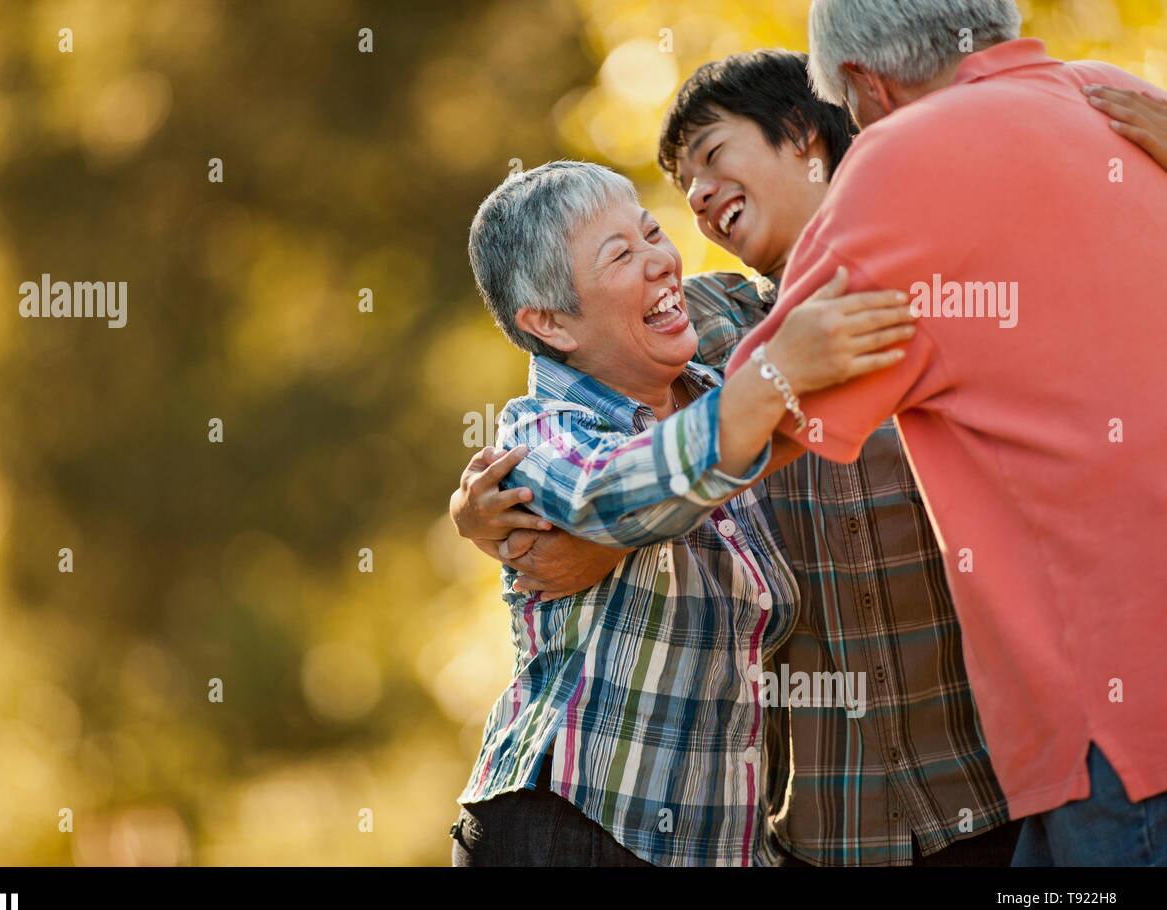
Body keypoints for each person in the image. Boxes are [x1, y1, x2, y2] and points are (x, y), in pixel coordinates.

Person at [454, 50, 1021, 866]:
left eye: (713, 155)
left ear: (806, 139)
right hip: (814, 830)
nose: (692, 204)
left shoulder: (962, 294)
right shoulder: (714, 336)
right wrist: (489, 516)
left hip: (987, 791)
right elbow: (574, 406)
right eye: (680, 188)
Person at [719, 0, 1167, 866]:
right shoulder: (1119, 100)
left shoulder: (905, 154)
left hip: (1118, 733)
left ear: (864, 86)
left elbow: (756, 413)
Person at [449, 160, 916, 866]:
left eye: (650, 234)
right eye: (621, 255)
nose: (661, 261)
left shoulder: (715, 401)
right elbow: (617, 497)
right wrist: (769, 382)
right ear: (549, 322)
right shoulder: (538, 435)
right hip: (567, 832)